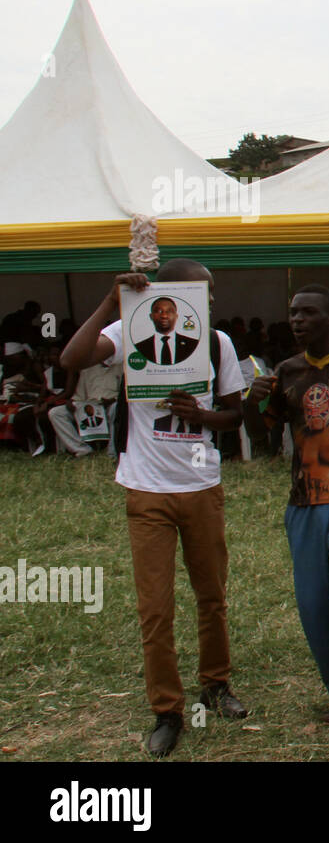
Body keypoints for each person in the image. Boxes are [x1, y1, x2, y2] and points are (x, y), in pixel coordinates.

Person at [60, 260, 249, 758]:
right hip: (146, 489)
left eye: (206, 297)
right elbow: (72, 358)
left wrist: (201, 414)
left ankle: (216, 685)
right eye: (185, 297)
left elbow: (235, 414)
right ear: (161, 298)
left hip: (200, 484)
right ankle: (167, 710)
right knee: (155, 609)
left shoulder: (217, 343)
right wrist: (111, 300)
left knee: (212, 595)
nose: (198, 306)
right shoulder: (129, 330)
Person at [243, 284, 329, 758]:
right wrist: (252, 400)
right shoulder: (286, 373)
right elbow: (262, 433)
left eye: (308, 312)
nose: (298, 320)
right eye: (293, 312)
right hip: (303, 507)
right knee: (314, 609)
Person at [50, 360, 123, 457]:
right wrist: (72, 402)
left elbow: (125, 393)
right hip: (89, 406)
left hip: (110, 404)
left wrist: (113, 400)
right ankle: (81, 449)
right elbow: (80, 396)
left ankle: (111, 452)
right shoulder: (88, 368)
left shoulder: (121, 367)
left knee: (115, 408)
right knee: (56, 413)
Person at [132, 296, 200, 366]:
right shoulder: (140, 347)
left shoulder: (193, 344)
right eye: (159, 311)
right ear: (151, 316)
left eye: (169, 311)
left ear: (176, 316)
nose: (164, 316)